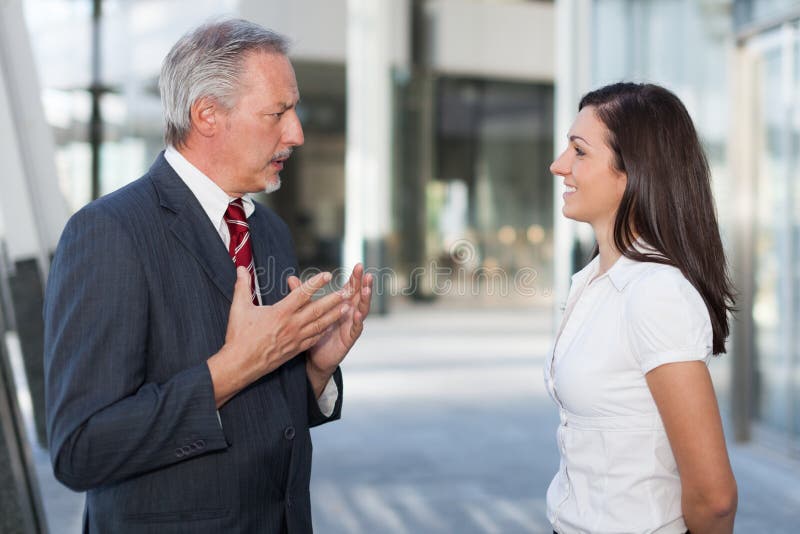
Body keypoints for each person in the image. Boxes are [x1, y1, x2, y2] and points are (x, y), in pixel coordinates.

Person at [43, 19, 373, 533]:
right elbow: (81, 449)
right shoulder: (108, 233)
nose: (298, 133)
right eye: (278, 112)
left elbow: (265, 420)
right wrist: (232, 368)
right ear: (208, 115)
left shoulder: (268, 230)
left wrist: (314, 370)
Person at [545, 82, 737, 534]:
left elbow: (715, 498)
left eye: (579, 151)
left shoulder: (655, 293)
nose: (559, 166)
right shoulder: (593, 282)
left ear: (632, 172)